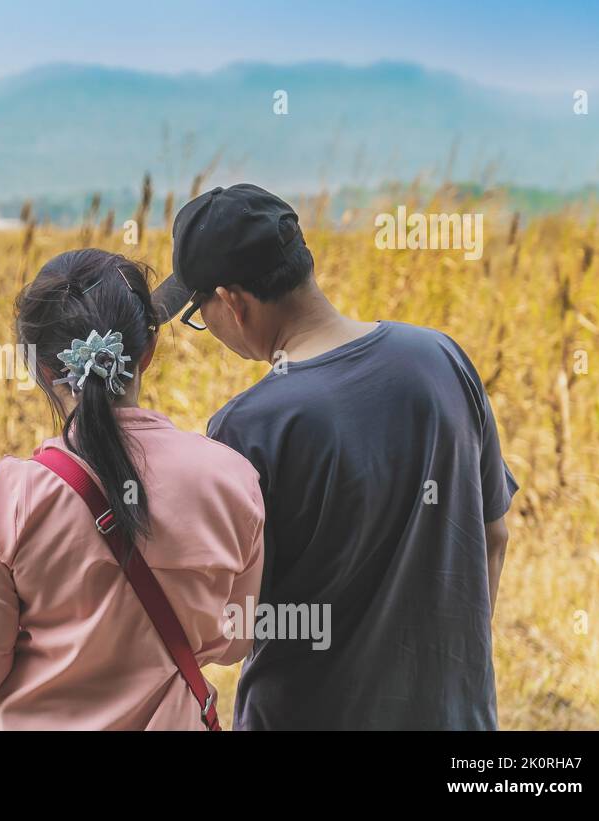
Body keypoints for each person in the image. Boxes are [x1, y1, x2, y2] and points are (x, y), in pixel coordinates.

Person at [151, 184, 519, 729]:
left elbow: (232, 624)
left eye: (198, 314)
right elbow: (493, 536)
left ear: (231, 302)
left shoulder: (249, 426)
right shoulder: (441, 358)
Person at [0, 249, 264, 730]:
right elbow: (234, 640)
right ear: (148, 352)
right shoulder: (231, 480)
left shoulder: (15, 496)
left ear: (44, 371)